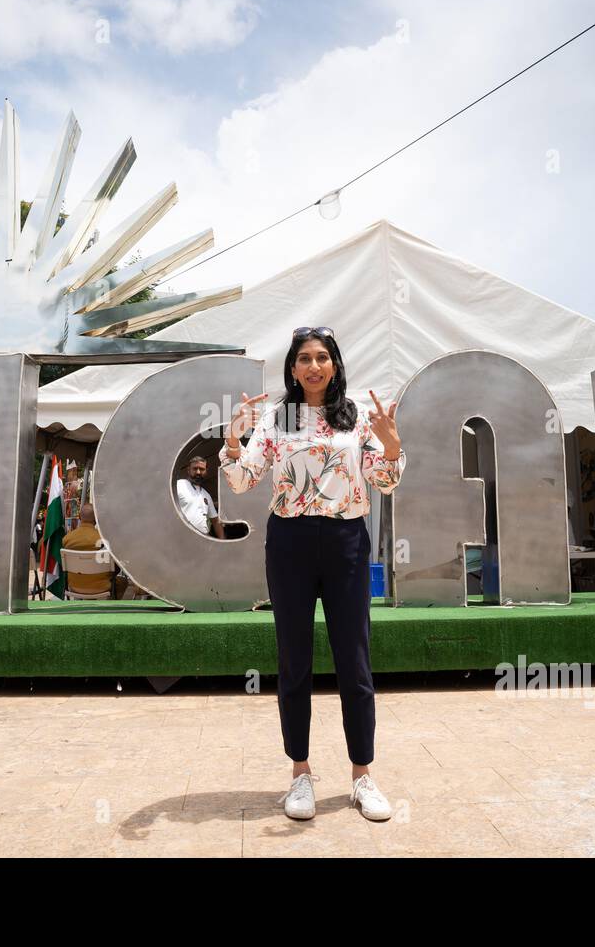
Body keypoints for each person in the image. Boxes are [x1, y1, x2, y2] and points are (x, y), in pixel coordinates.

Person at [219, 326, 406, 822]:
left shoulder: (358, 418)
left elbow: (383, 482)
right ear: (293, 368)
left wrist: (389, 447)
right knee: (294, 659)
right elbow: (242, 481)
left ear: (336, 365)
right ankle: (299, 774)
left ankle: (362, 775)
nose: (313, 366)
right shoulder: (277, 421)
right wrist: (234, 442)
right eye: (304, 358)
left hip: (346, 541)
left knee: (355, 660)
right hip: (290, 543)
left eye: (322, 357)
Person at [61, 503, 128, 598]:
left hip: (74, 586)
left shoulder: (66, 539)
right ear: (96, 519)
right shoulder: (104, 539)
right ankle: (111, 609)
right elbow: (115, 569)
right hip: (102, 587)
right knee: (123, 582)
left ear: (80, 517)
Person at [175, 456, 225, 538]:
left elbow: (215, 521)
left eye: (202, 469)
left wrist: (223, 542)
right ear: (188, 470)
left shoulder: (206, 495)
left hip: (203, 540)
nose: (198, 472)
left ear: (206, 472)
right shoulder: (179, 485)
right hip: (182, 537)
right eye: (195, 469)